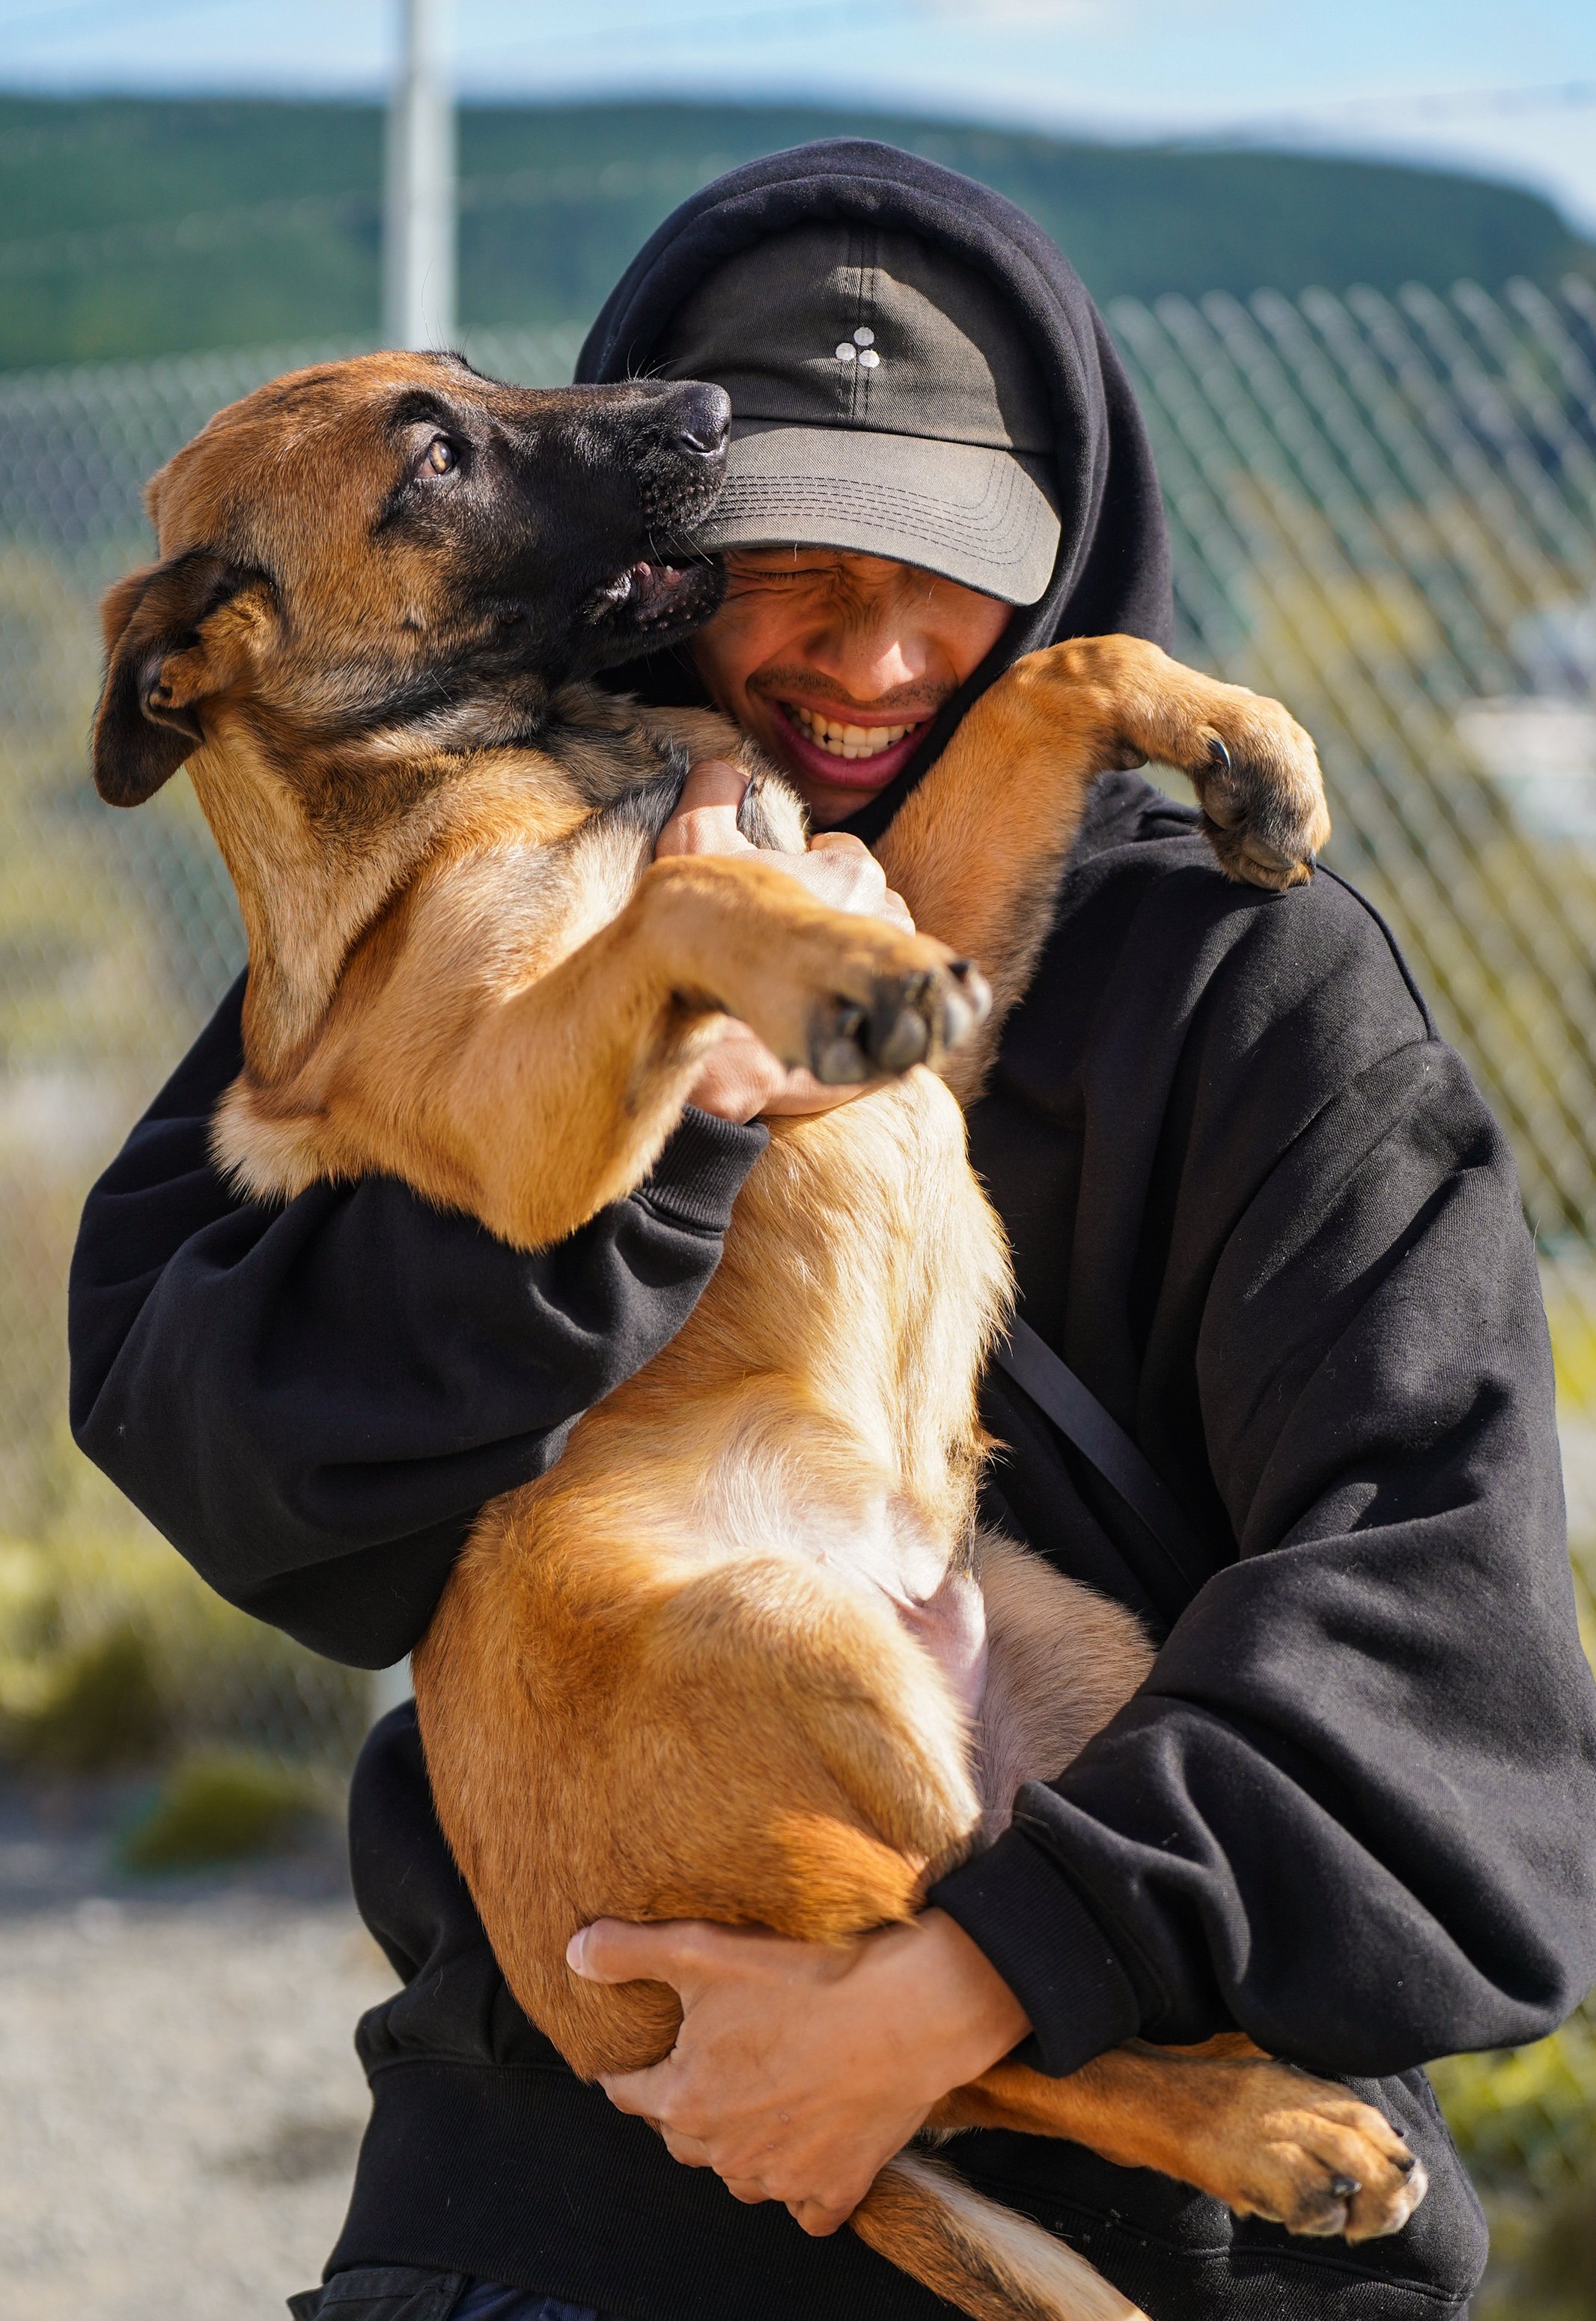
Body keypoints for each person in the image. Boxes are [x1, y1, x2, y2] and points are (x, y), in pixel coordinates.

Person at [68, 142, 1596, 2321]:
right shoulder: (451, 933)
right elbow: (232, 1457)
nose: (868, 648)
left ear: (1063, 562)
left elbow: (1446, 1640)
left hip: (1166, 2183)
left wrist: (967, 1987)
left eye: (950, 571)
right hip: (577, 2171)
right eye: (778, 558)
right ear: (633, 557)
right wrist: (679, 1094)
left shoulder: (1254, 984)